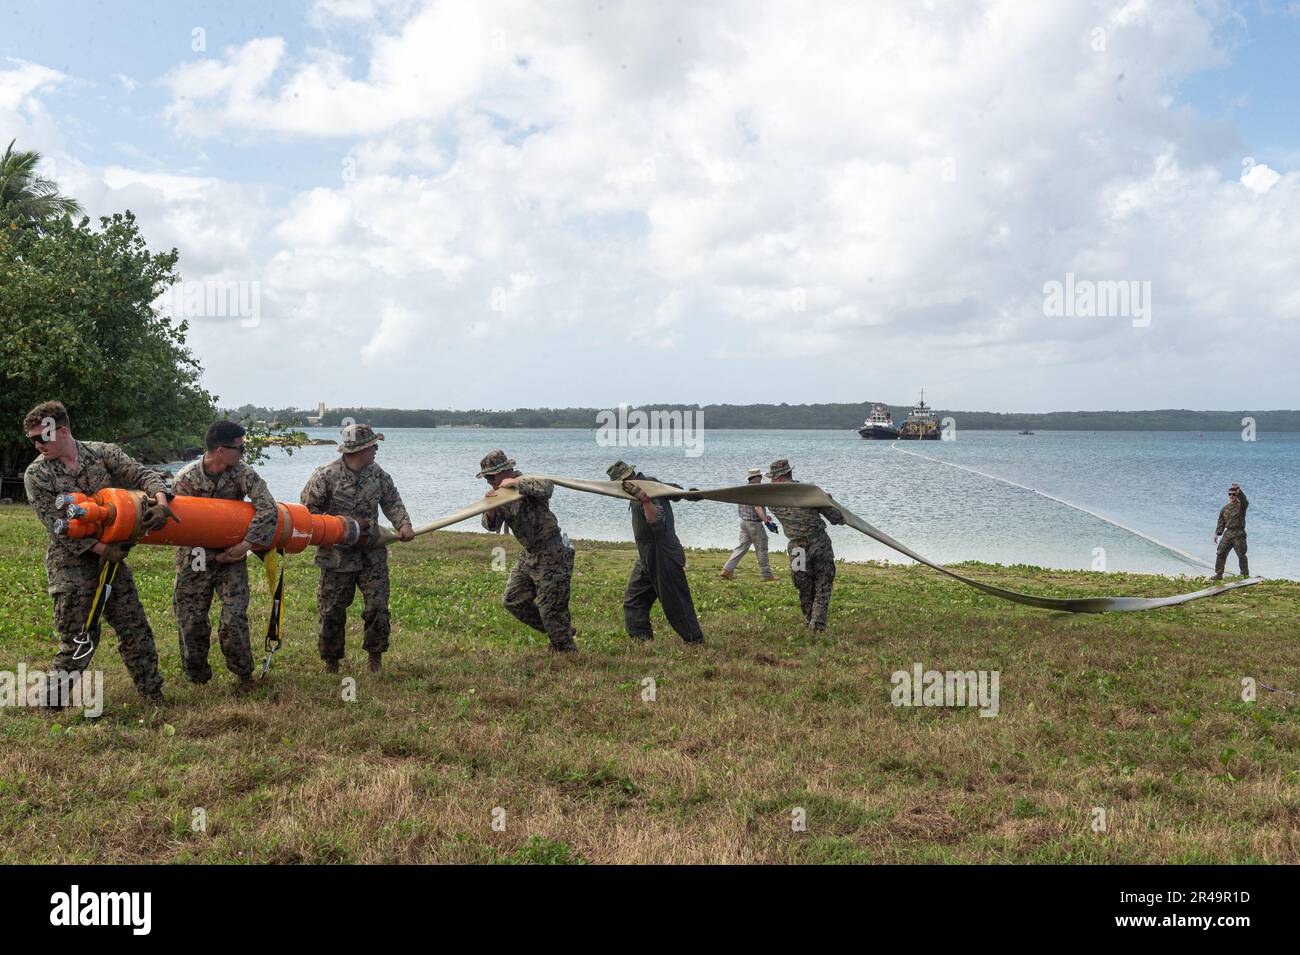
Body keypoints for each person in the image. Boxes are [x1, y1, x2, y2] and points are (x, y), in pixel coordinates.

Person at [22, 400, 174, 705]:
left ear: (62, 430)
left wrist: (161, 503)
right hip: (72, 562)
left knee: (134, 627)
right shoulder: (36, 475)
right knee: (80, 637)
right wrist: (104, 549)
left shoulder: (102, 453)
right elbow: (58, 527)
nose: (38, 445)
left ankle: (152, 694)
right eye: (33, 439)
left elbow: (143, 475)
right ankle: (52, 702)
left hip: (113, 558)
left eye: (43, 437)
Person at [171, 421, 278, 692]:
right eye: (239, 448)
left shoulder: (243, 473)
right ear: (220, 450)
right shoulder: (185, 480)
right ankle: (197, 677)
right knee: (191, 619)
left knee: (234, 618)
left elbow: (268, 509)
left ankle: (244, 676)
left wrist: (246, 545)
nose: (243, 453)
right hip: (195, 556)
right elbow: (178, 522)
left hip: (233, 555)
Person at [301, 424, 413, 673]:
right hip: (336, 557)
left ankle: (375, 660)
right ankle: (331, 662)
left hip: (372, 554)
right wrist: (345, 527)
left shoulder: (377, 473)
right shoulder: (325, 475)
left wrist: (403, 523)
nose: (376, 450)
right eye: (373, 446)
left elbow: (392, 500)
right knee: (331, 611)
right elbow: (309, 514)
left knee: (378, 607)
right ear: (359, 450)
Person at [479, 450, 577, 653]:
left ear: (505, 471)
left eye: (491, 477)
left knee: (551, 609)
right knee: (513, 600)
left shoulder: (526, 481)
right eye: (486, 478)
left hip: (553, 551)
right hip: (529, 554)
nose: (488, 481)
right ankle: (560, 632)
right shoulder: (499, 493)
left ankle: (566, 649)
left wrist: (515, 484)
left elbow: (548, 487)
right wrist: (491, 506)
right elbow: (490, 526)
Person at [608, 461, 705, 644]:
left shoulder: (647, 490)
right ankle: (642, 641)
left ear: (627, 477)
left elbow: (657, 522)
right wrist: (686, 494)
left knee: (675, 601)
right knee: (634, 599)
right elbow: (674, 491)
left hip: (662, 552)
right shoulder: (648, 485)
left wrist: (644, 500)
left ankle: (695, 641)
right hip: (646, 554)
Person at [764, 458, 845, 632]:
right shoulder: (810, 493)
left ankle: (810, 620)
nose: (770, 481)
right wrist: (826, 500)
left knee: (803, 585)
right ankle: (817, 624)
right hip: (819, 544)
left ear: (778, 478)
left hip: (797, 548)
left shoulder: (771, 499)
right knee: (823, 582)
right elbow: (837, 518)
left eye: (772, 478)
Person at [720, 467, 780, 581]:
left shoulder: (742, 489)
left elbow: (750, 507)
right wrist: (767, 522)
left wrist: (764, 516)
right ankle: (767, 575)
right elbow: (757, 507)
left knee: (741, 547)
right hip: (754, 524)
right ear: (756, 478)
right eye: (760, 476)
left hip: (743, 522)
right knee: (762, 548)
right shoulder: (756, 491)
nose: (762, 478)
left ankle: (727, 570)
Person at [1212, 482, 1249, 580]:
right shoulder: (1225, 508)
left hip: (1238, 534)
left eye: (1234, 494)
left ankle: (1244, 575)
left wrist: (1238, 490)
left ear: (1237, 495)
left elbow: (1244, 500)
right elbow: (1221, 522)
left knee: (1241, 555)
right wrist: (1217, 533)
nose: (1232, 496)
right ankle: (1219, 574)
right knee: (1220, 553)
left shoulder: (1241, 506)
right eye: (1230, 494)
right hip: (1228, 534)